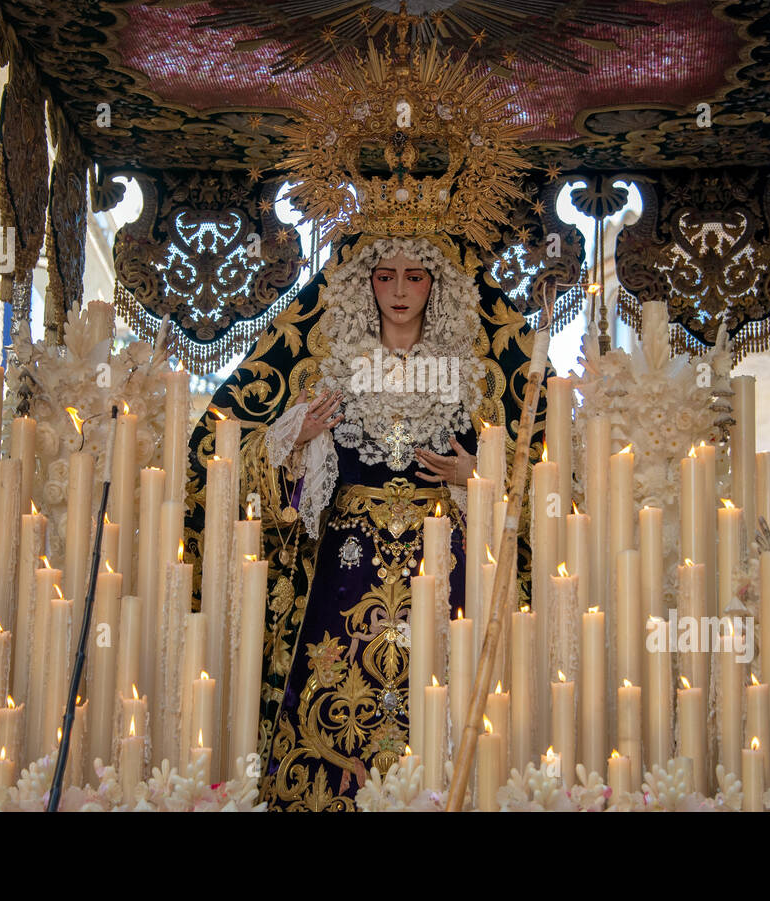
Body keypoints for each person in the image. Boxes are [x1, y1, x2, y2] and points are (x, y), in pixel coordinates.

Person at [181, 231, 548, 810]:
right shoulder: (331, 373)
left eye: (415, 276)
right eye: (385, 276)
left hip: (446, 566)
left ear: (437, 285)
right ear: (364, 285)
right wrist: (294, 439)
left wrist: (475, 476)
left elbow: (541, 486)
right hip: (346, 571)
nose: (399, 291)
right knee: (332, 702)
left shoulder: (473, 380)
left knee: (445, 702)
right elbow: (253, 479)